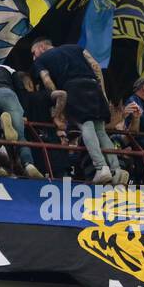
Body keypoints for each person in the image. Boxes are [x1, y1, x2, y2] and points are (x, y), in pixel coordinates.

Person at [30, 38, 124, 185]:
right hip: (94, 86)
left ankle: (101, 167)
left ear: (41, 47)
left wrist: (57, 102)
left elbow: (47, 80)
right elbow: (96, 66)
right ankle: (117, 169)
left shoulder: (41, 60)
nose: (33, 57)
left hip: (73, 88)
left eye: (33, 52)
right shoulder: (75, 47)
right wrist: (103, 93)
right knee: (100, 130)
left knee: (86, 125)